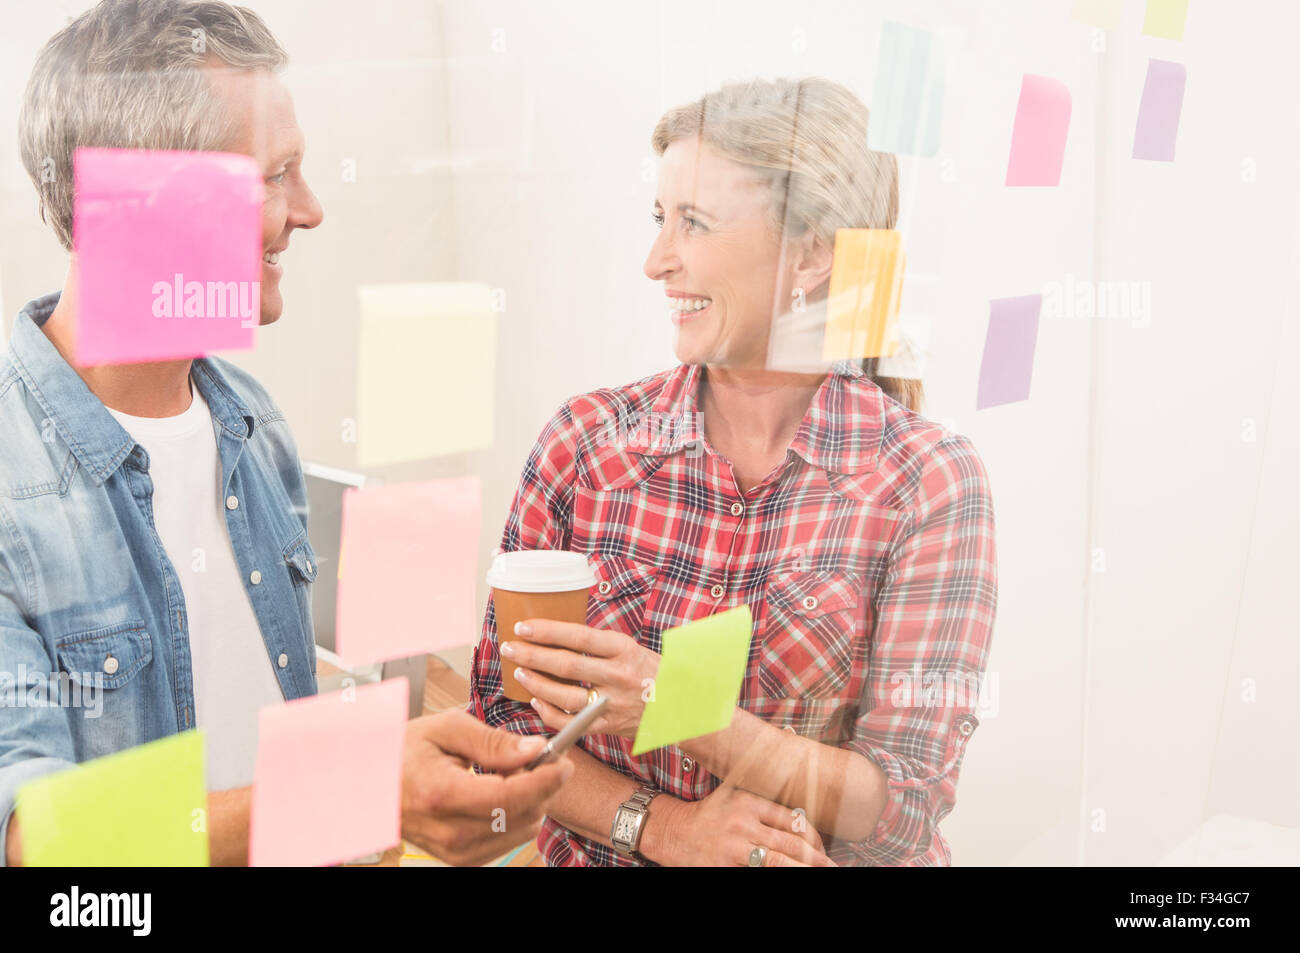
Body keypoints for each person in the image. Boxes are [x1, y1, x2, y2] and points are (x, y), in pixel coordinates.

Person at [0, 0, 570, 868]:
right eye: (276, 175)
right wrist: (361, 790)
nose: (309, 210)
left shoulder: (251, 424)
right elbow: (38, 841)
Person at [470, 77, 997, 866]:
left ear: (813, 254)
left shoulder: (926, 482)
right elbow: (500, 727)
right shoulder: (583, 446)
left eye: (695, 223)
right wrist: (665, 827)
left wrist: (674, 707)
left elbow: (900, 809)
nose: (656, 260)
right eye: (660, 219)